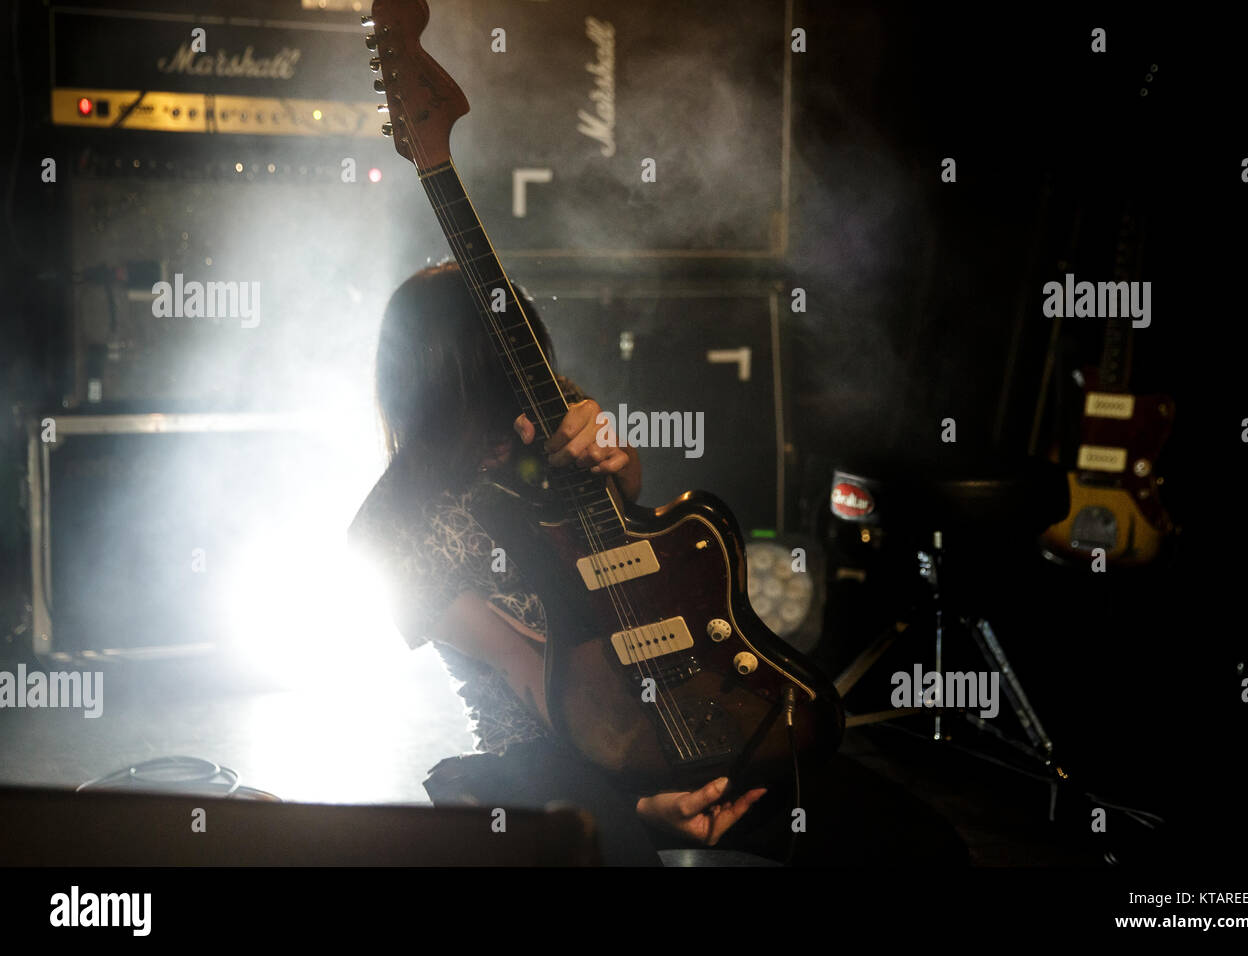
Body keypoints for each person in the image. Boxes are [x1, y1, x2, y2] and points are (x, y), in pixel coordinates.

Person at [350, 261, 968, 866]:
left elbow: (631, 495)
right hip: (549, 749)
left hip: (678, 688)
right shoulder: (392, 527)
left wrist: (614, 459)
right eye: (499, 378)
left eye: (530, 362)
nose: (522, 405)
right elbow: (530, 667)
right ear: (441, 382)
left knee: (919, 842)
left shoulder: (544, 414)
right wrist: (648, 800)